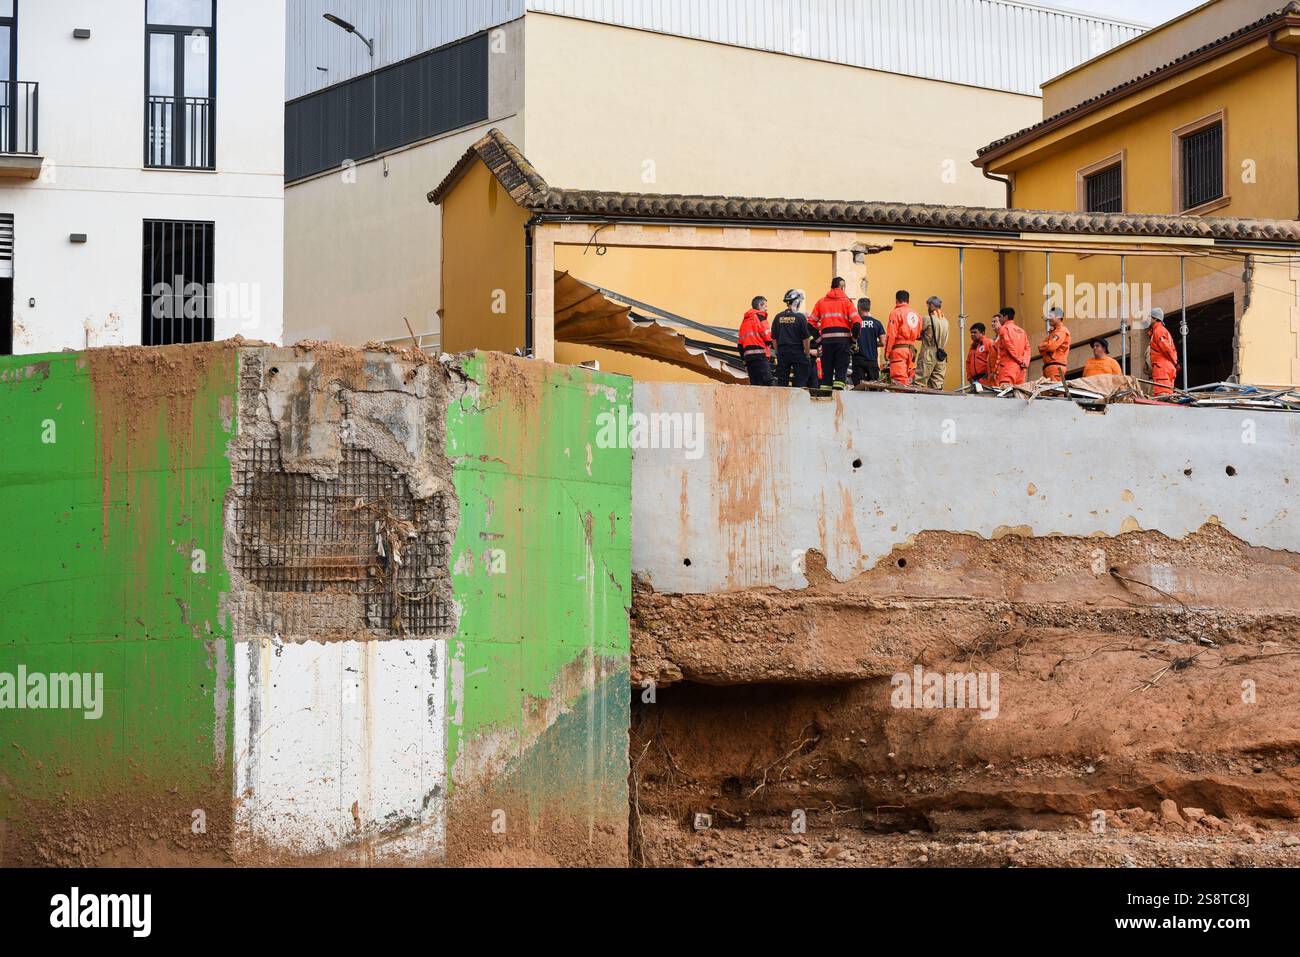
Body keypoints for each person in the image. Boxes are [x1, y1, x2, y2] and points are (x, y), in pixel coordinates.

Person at [811, 278, 859, 390]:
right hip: (843, 344)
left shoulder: (821, 302)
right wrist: (853, 340)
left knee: (826, 375)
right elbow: (857, 324)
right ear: (842, 287)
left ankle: (824, 401)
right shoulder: (847, 302)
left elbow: (810, 325)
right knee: (840, 374)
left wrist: (819, 341)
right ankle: (838, 401)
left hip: (826, 343)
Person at [772, 289, 813, 388]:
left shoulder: (778, 317)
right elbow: (806, 339)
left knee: (782, 381)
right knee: (800, 380)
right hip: (797, 352)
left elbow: (774, 339)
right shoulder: (800, 317)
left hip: (782, 352)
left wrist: (778, 352)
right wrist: (807, 354)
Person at [885, 290, 923, 386]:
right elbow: (919, 334)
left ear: (897, 300)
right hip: (911, 352)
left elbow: (891, 335)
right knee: (910, 378)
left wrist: (887, 352)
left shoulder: (895, 313)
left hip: (899, 351)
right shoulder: (916, 315)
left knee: (899, 381)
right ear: (908, 300)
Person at [916, 296, 951, 390]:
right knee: (937, 386)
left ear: (931, 305)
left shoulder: (927, 319)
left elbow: (917, 334)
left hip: (928, 354)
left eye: (928, 305)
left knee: (919, 383)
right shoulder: (945, 321)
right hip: (941, 356)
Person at [738, 296, 774, 386]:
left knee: (755, 386)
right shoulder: (760, 317)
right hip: (761, 356)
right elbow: (768, 337)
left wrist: (744, 362)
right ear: (760, 305)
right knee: (768, 384)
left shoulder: (744, 322)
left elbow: (739, 345)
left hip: (749, 359)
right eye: (765, 306)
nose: (767, 309)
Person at [1147, 307, 1180, 396]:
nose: (1148, 319)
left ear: (1155, 318)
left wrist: (1175, 362)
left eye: (1149, 317)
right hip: (1166, 367)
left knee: (1163, 396)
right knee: (1167, 396)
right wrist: (1175, 363)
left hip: (1162, 369)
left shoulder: (1159, 331)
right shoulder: (1159, 330)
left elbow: (1166, 348)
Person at [852, 298, 886, 386]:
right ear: (869, 308)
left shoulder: (855, 323)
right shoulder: (877, 323)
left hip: (858, 360)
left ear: (859, 308)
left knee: (858, 388)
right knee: (873, 389)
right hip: (872, 360)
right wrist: (873, 343)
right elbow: (883, 342)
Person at [994, 307, 1030, 387]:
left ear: (1005, 317)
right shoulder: (1021, 331)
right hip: (1021, 369)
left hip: (1008, 367)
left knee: (1006, 393)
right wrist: (1025, 362)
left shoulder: (1004, 329)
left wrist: (1020, 360)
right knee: (1018, 395)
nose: (999, 319)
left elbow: (1009, 346)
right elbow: (1027, 348)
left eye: (1000, 317)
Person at [1038, 308, 1072, 383]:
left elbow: (1050, 347)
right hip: (1051, 366)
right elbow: (1042, 348)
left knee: (1055, 392)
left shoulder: (1061, 331)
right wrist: (1044, 346)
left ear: (1059, 317)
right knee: (1051, 391)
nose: (1049, 318)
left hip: (1055, 366)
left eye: (1051, 316)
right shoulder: (1055, 332)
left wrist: (1043, 346)